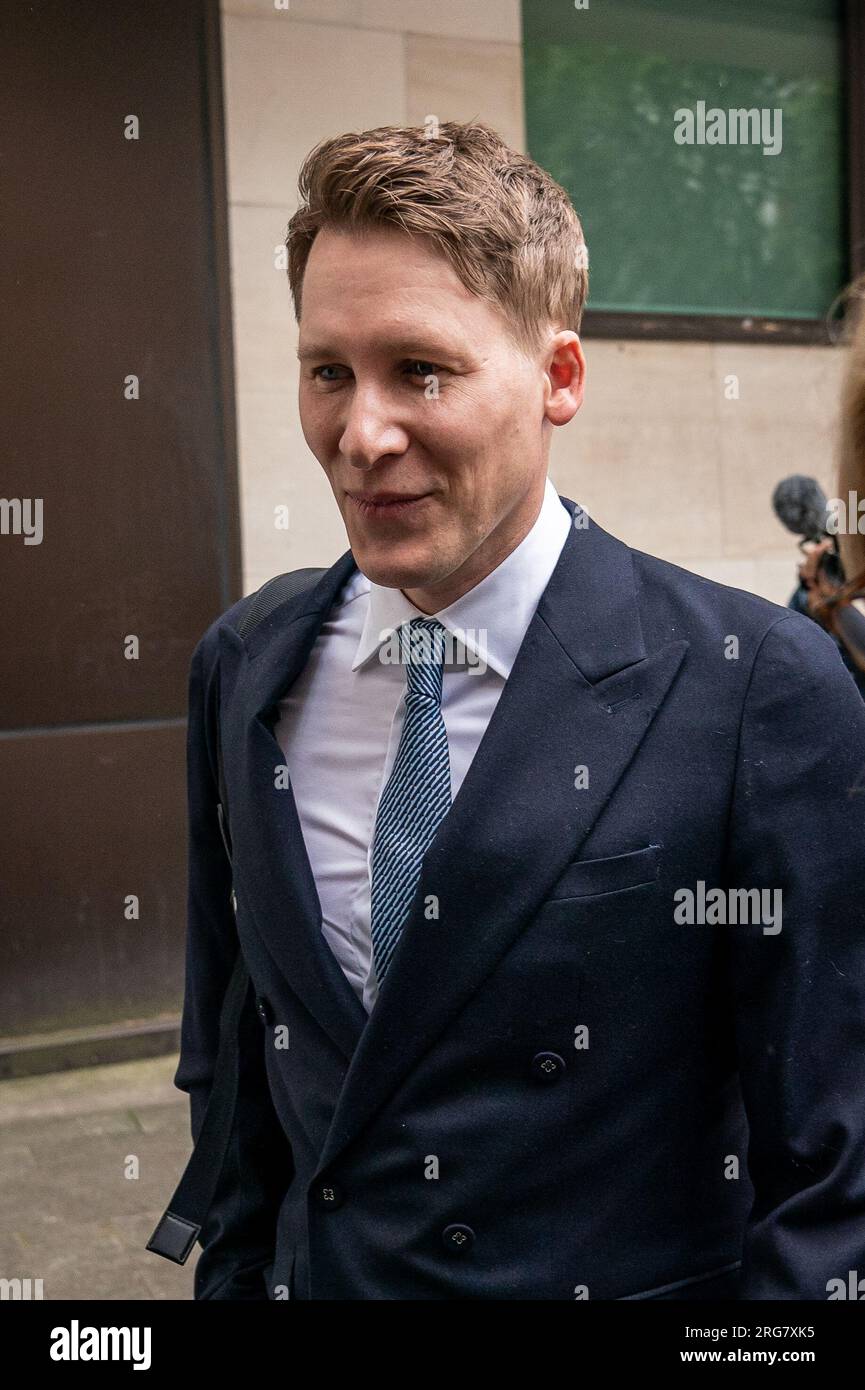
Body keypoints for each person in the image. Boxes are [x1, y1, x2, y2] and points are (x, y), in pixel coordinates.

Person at [173, 122, 865, 1301]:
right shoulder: (246, 664)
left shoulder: (759, 686)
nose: (360, 435)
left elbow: (833, 1173)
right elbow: (236, 1066)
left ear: (558, 379)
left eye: (421, 371)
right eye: (328, 371)